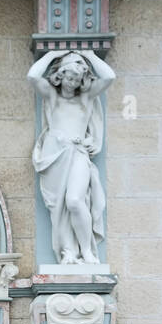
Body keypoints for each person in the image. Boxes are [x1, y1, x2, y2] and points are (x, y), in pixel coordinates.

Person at [27, 48, 114, 264]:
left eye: (78, 78)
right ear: (61, 75)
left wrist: (90, 55)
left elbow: (109, 76)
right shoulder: (52, 96)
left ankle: (86, 251)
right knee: (58, 209)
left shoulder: (85, 98)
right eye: (70, 76)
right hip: (53, 156)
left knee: (74, 201)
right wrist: (53, 55)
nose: (73, 82)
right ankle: (68, 251)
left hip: (77, 153)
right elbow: (32, 75)